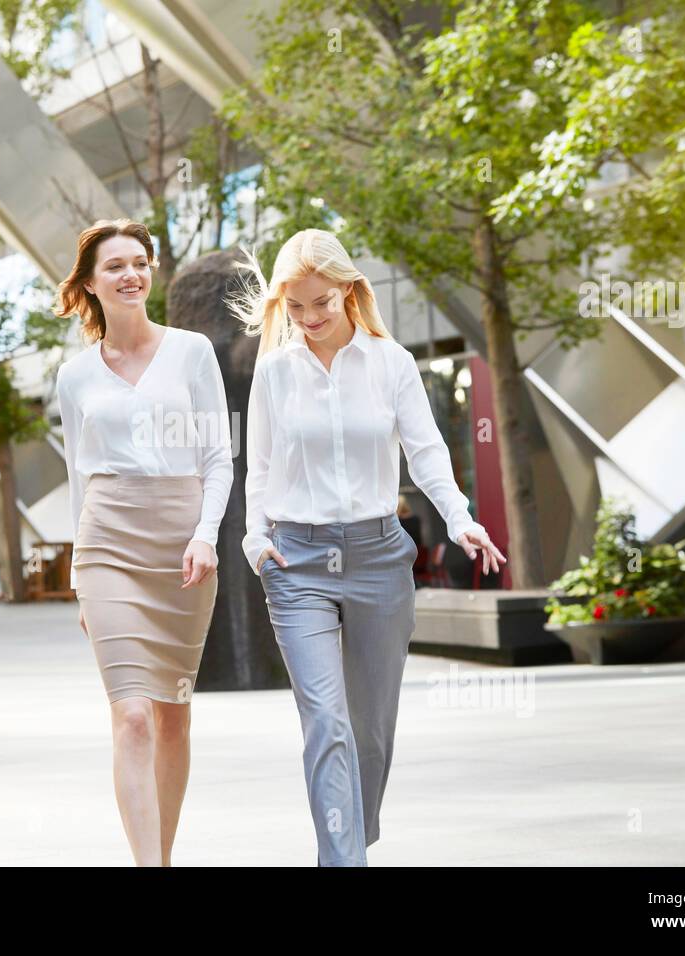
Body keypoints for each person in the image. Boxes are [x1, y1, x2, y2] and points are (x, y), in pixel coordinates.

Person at [232, 229, 505, 866]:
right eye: (295, 307)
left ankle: (354, 831)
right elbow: (261, 467)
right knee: (325, 722)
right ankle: (342, 857)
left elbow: (427, 451)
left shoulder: (391, 363)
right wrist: (254, 537)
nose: (309, 318)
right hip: (295, 562)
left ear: (350, 289)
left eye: (321, 301)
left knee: (370, 732)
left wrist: (460, 518)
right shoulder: (274, 371)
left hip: (380, 558)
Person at [53, 218, 233, 866]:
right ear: (90, 284)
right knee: (130, 715)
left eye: (139, 261)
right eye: (115, 266)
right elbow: (79, 474)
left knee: (172, 716)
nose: (131, 274)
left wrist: (207, 535)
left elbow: (219, 456)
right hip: (108, 541)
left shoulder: (191, 352)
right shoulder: (74, 377)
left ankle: (165, 852)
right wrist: (80, 577)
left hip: (183, 542)